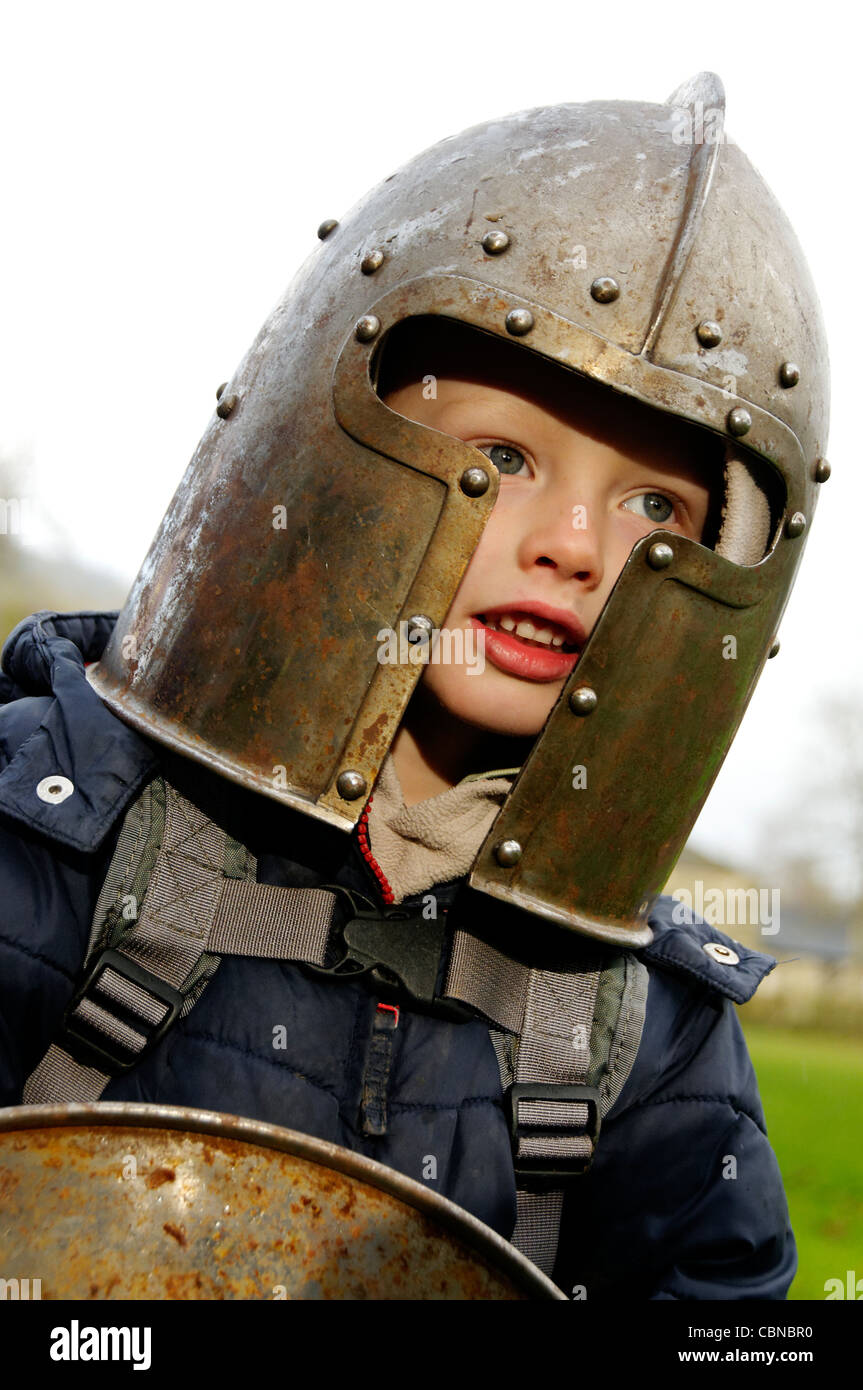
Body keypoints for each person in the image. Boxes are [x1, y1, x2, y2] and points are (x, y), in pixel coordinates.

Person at [0, 71, 829, 1299]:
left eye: (656, 504)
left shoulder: (645, 1029)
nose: (578, 546)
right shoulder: (48, 841)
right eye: (501, 457)